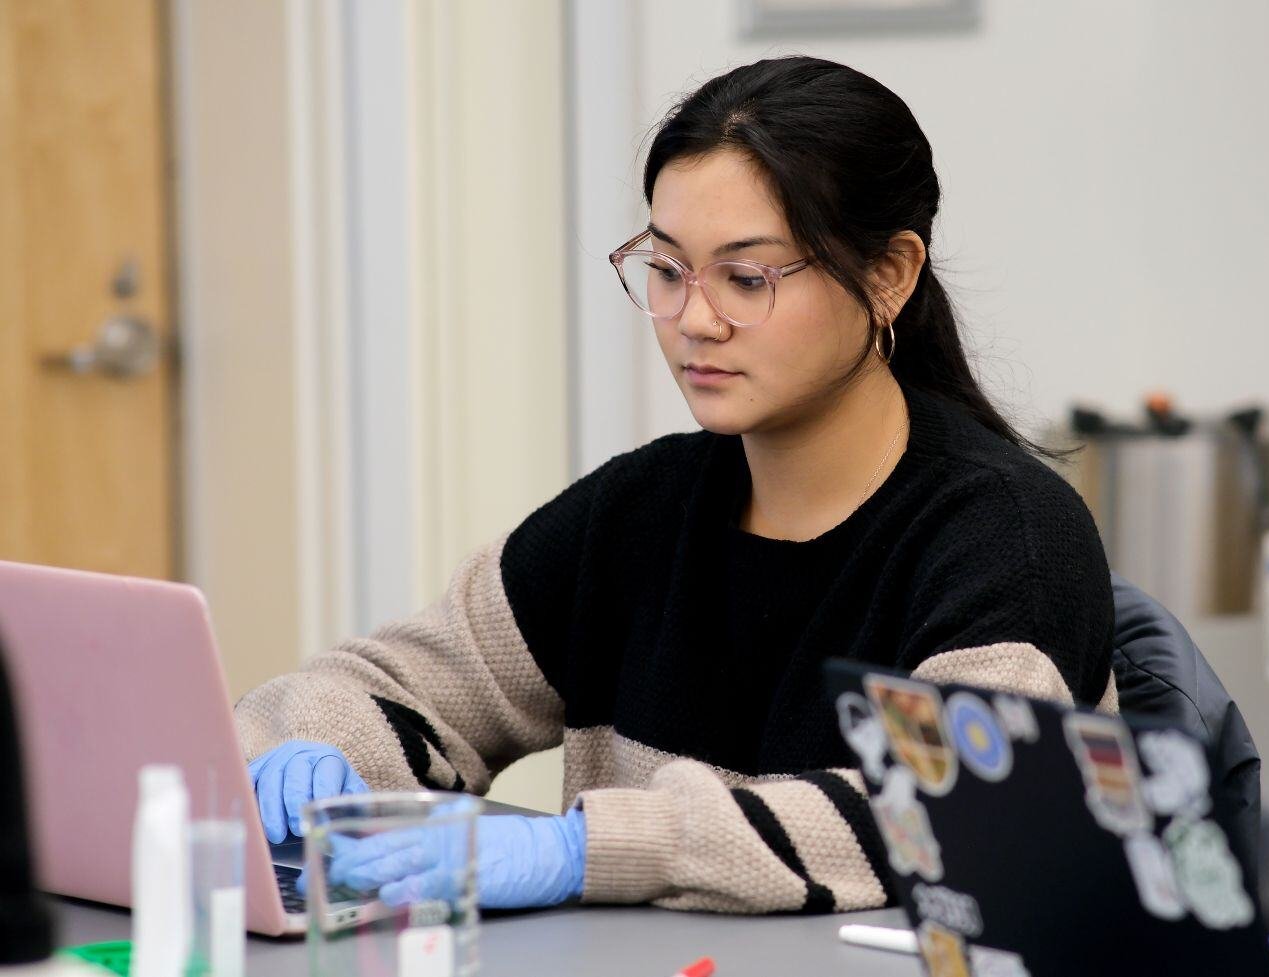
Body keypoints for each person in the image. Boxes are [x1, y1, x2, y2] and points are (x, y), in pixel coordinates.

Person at [236, 54, 1116, 915]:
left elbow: (954, 810)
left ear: (888, 275)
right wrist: (312, 740)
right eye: (666, 269)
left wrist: (586, 850)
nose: (694, 319)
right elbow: (408, 681)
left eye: (745, 277)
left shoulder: (1006, 535)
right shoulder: (639, 510)